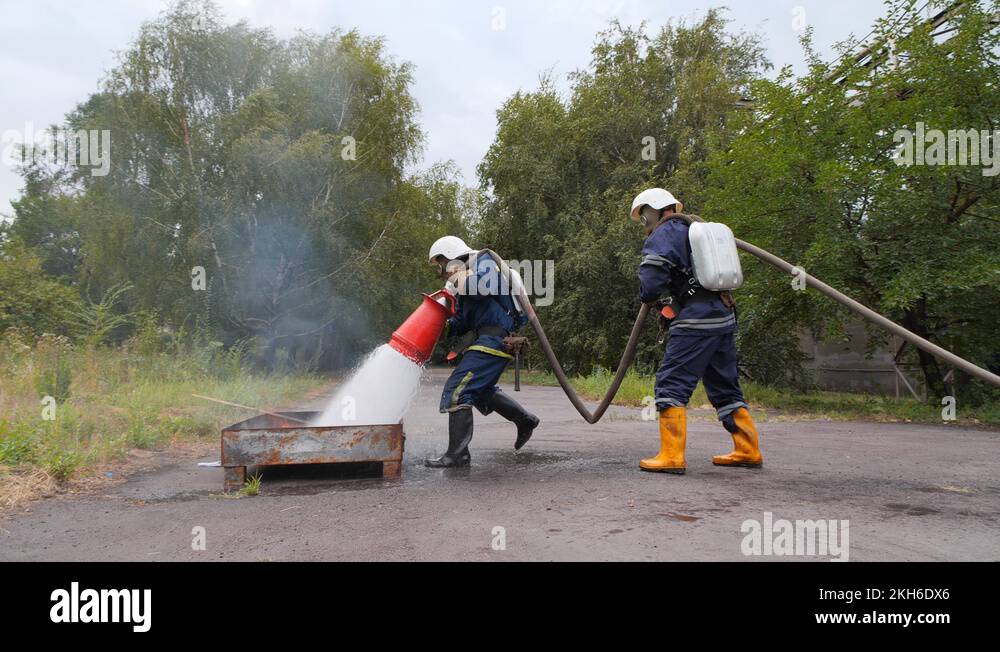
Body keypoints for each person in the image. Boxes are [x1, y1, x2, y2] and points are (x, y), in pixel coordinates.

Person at [630, 188, 763, 475]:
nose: (645, 223)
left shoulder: (665, 234)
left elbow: (651, 283)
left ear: (654, 211)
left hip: (695, 323)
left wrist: (650, 295)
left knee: (671, 384)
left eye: (644, 216)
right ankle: (747, 449)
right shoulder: (697, 228)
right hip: (723, 316)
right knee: (724, 386)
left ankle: (671, 456)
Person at [424, 236, 540, 468]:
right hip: (487, 339)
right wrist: (438, 321)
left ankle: (458, 455)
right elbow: (462, 321)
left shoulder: (484, 261)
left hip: (494, 339)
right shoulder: (468, 276)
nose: (443, 271)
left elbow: (480, 289)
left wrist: (455, 280)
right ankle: (525, 420)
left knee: (457, 390)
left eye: (442, 264)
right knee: (479, 391)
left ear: (452, 256)